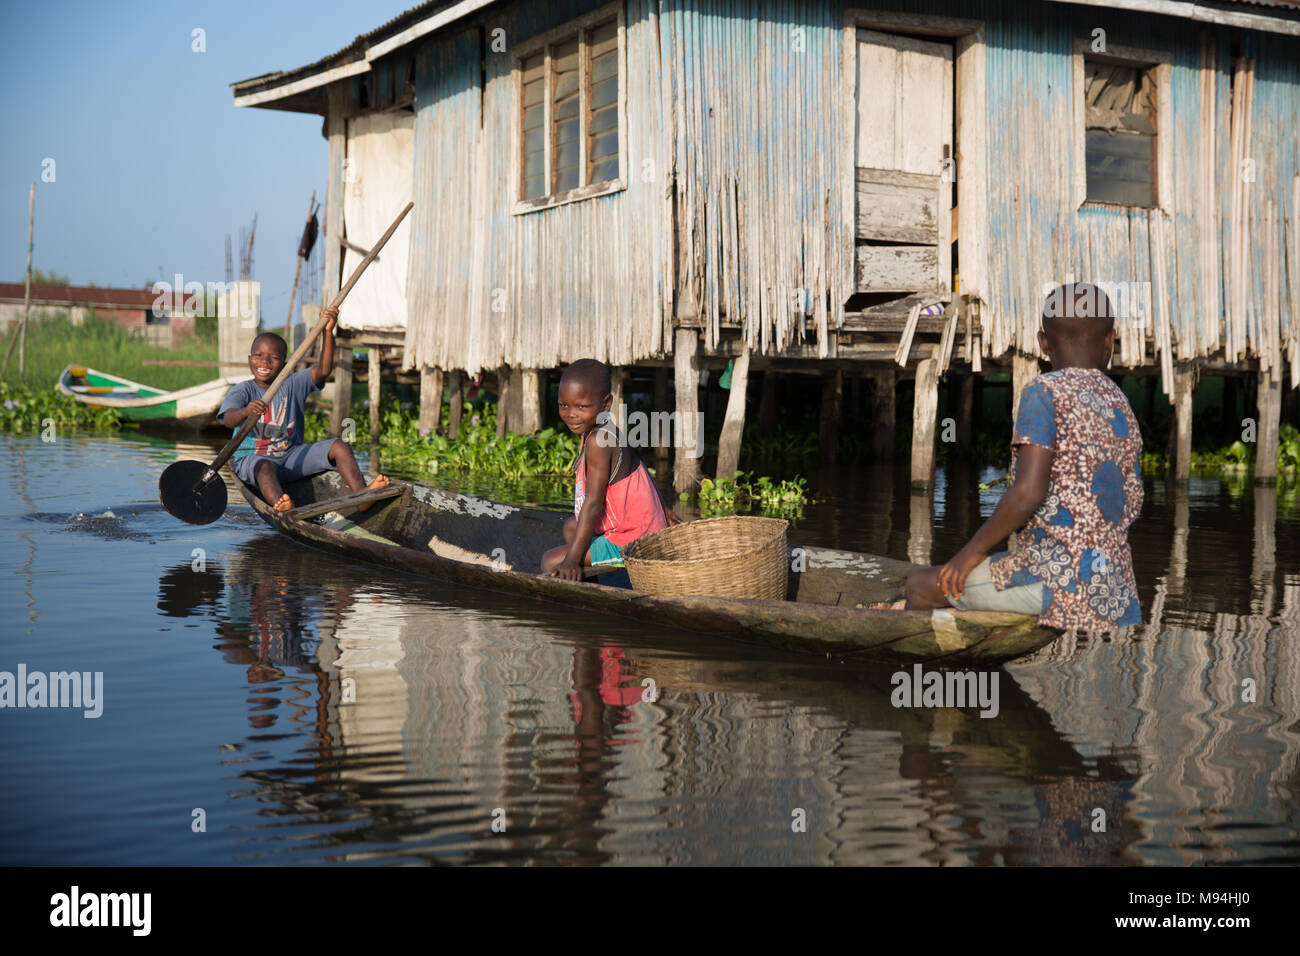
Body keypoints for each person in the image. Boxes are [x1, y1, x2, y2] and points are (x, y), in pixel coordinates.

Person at [903, 282, 1143, 630]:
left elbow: (1029, 492)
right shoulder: (1119, 403)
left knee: (919, 585)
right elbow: (1128, 498)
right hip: (1115, 586)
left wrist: (970, 552)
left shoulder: (1043, 391)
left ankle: (915, 675)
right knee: (993, 570)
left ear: (1043, 343)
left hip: (1058, 585)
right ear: (1110, 341)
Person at [217, 307, 388, 512]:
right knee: (265, 467)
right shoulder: (243, 390)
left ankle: (361, 495)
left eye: (273, 358)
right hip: (252, 460)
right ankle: (283, 506)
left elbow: (323, 370)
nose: (264, 362)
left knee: (339, 446)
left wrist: (327, 332)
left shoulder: (293, 383)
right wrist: (245, 412)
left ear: (285, 364)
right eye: (258, 355)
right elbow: (228, 419)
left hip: (290, 456)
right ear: (249, 359)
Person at [542, 359, 672, 580]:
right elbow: (638, 465)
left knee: (549, 561)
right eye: (564, 405)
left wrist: (572, 560)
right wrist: (664, 509)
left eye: (582, 407)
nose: (571, 414)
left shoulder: (599, 441)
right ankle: (591, 572)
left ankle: (583, 573)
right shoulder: (603, 430)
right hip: (636, 528)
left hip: (633, 542)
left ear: (605, 403)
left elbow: (593, 503)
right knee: (570, 528)